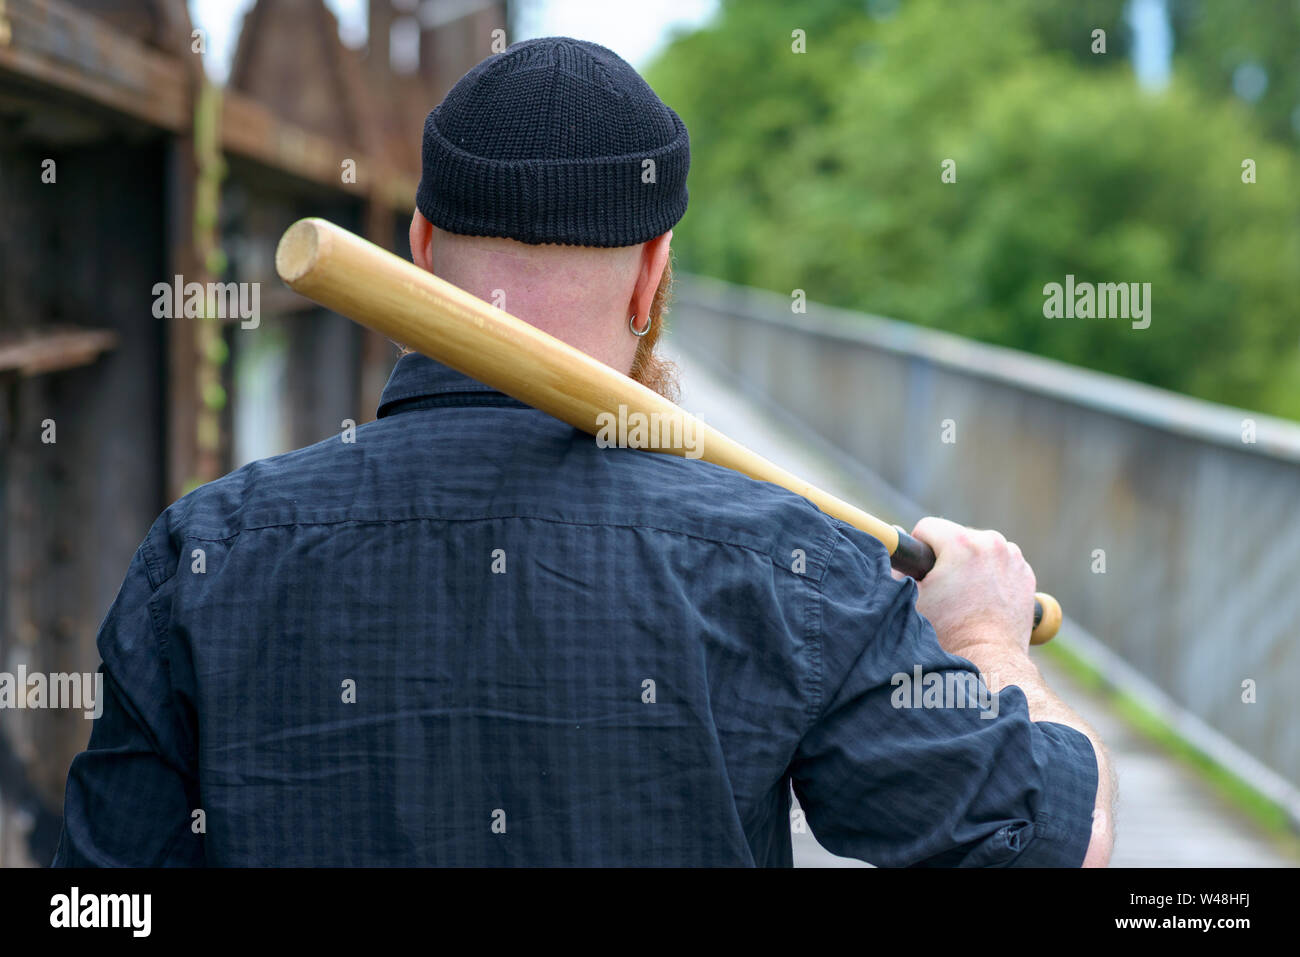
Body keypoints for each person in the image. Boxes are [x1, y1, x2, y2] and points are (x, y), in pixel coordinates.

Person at [52, 36, 1113, 867]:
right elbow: (1062, 847)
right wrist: (987, 639)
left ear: (420, 246)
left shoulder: (200, 554)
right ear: (654, 274)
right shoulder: (794, 572)